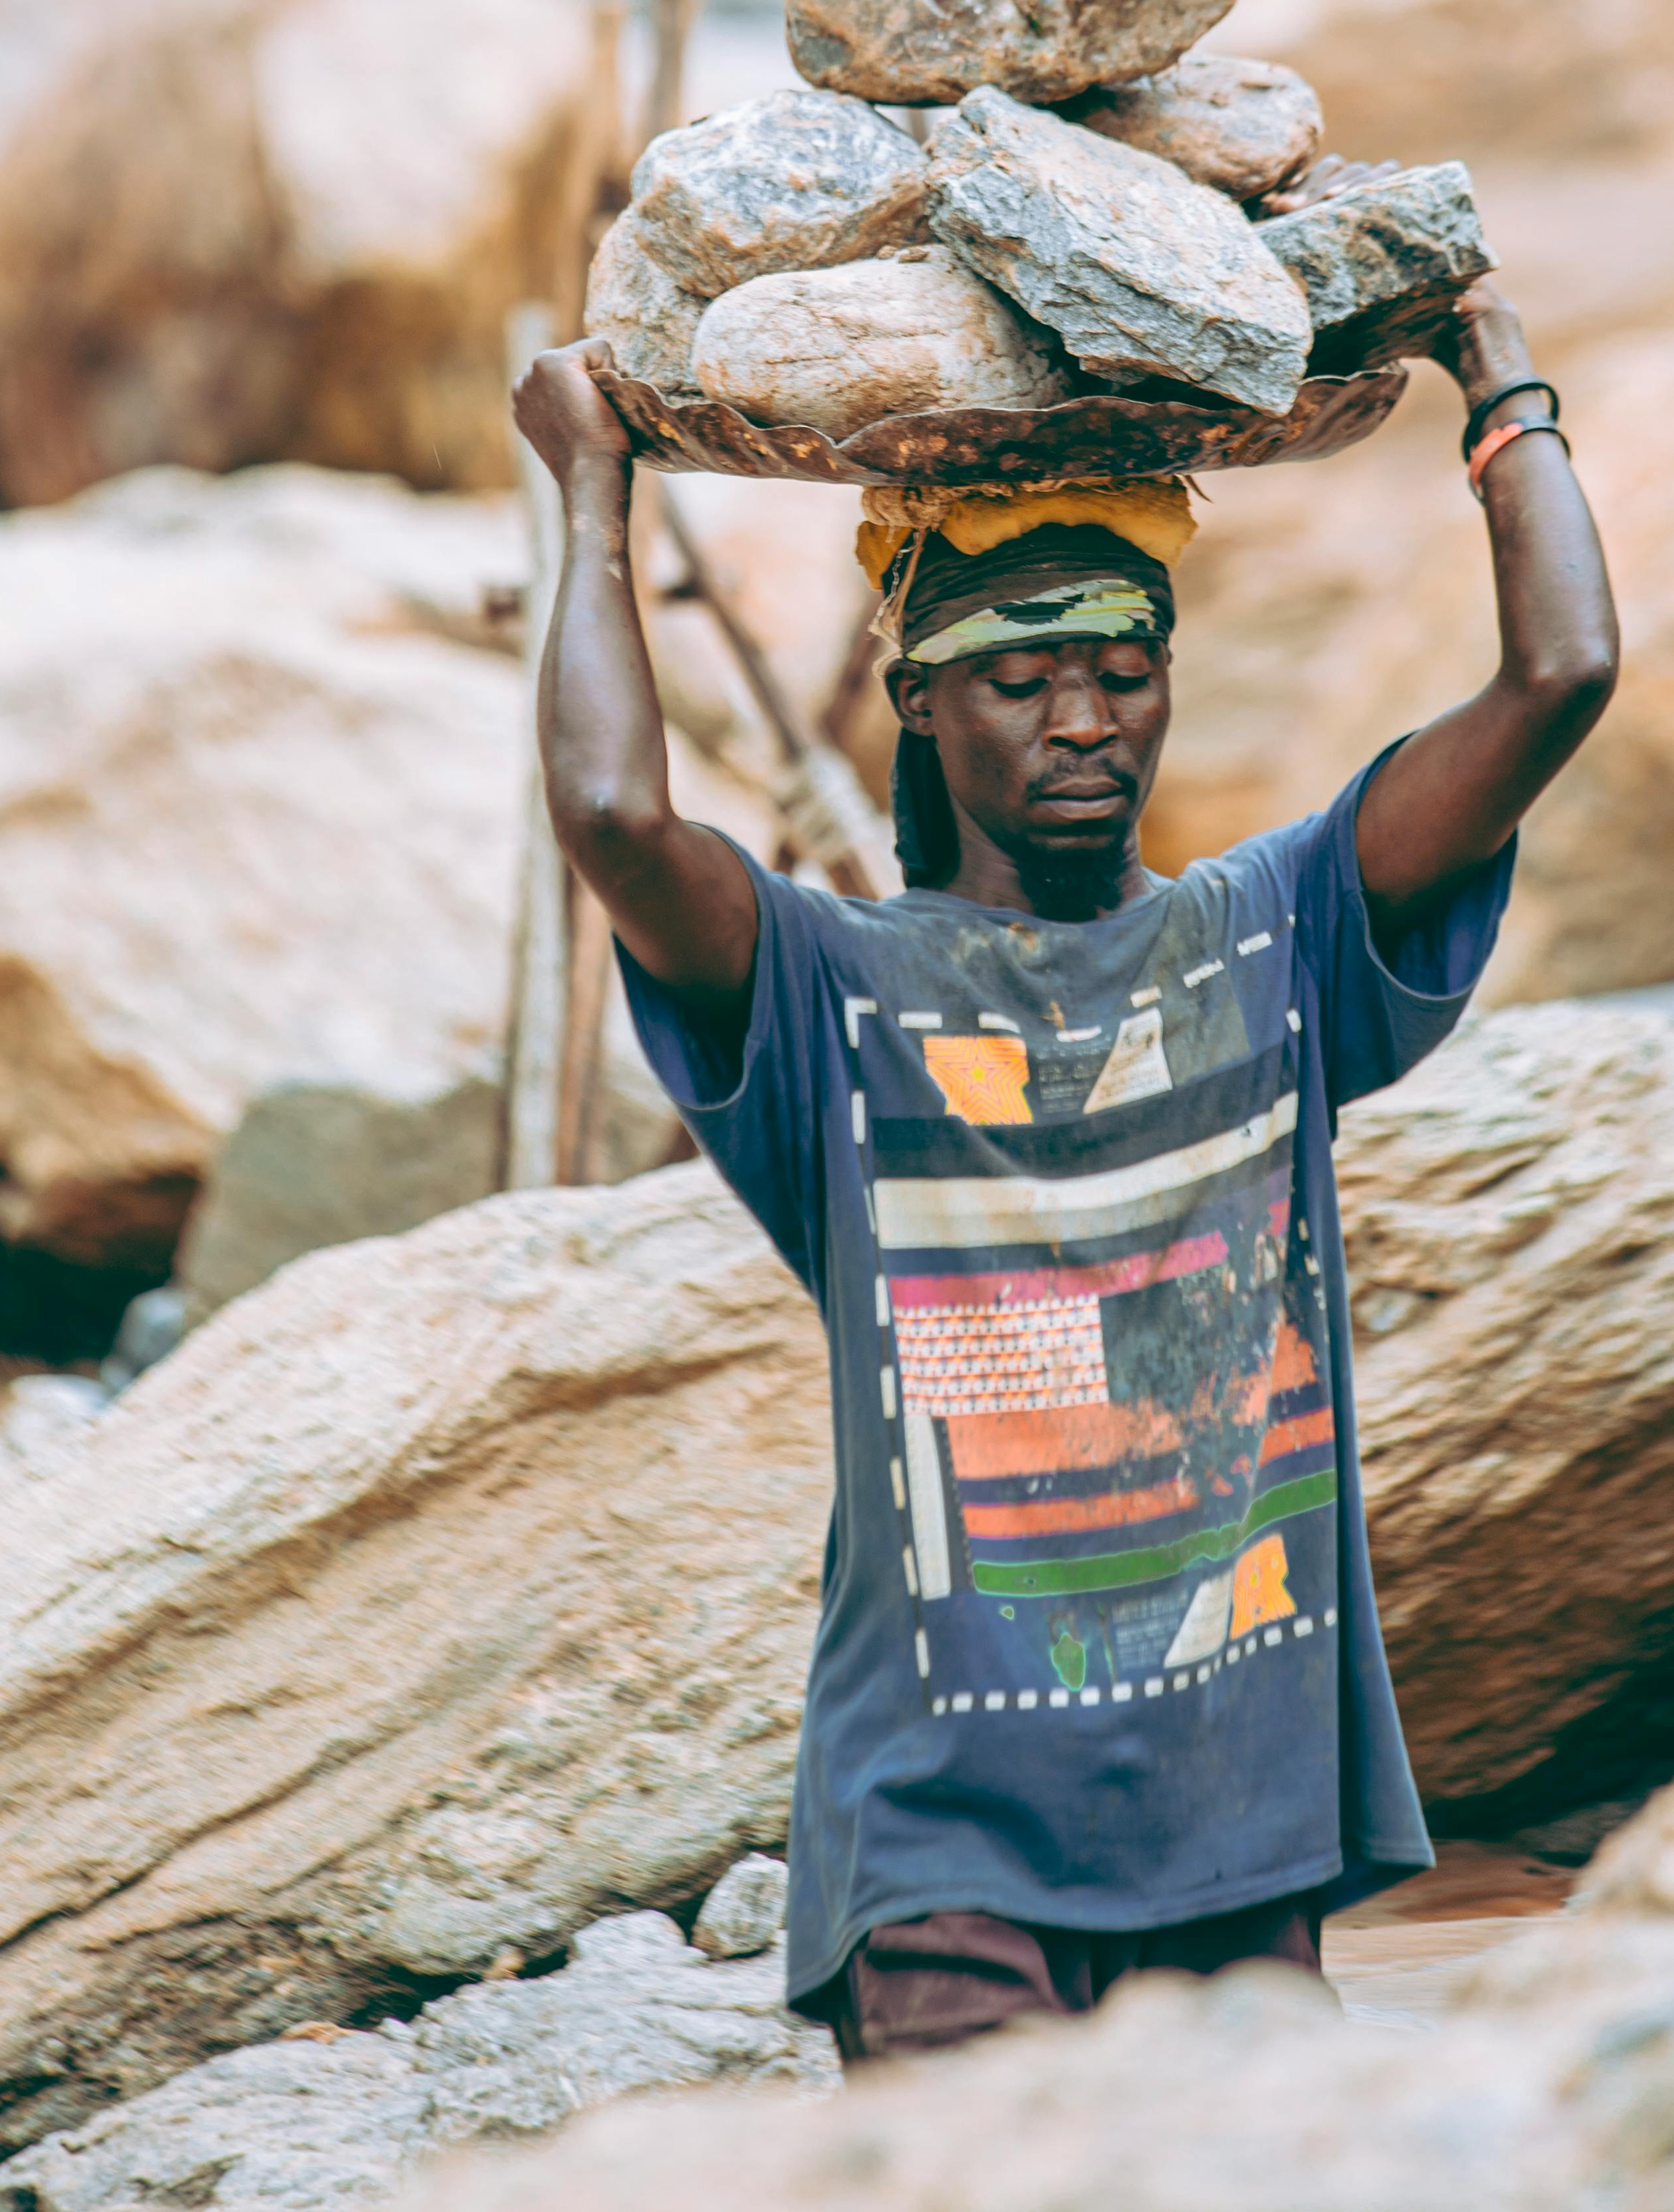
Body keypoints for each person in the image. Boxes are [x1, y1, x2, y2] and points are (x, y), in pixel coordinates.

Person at [511, 276, 1616, 2062]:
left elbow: (1562, 674)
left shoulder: (1279, 938)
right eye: (1022, 679)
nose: (1086, 718)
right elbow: (616, 819)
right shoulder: (829, 1000)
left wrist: (1499, 373)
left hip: (1236, 1821)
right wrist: (590, 490)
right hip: (945, 1849)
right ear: (925, 707)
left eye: (1124, 669)